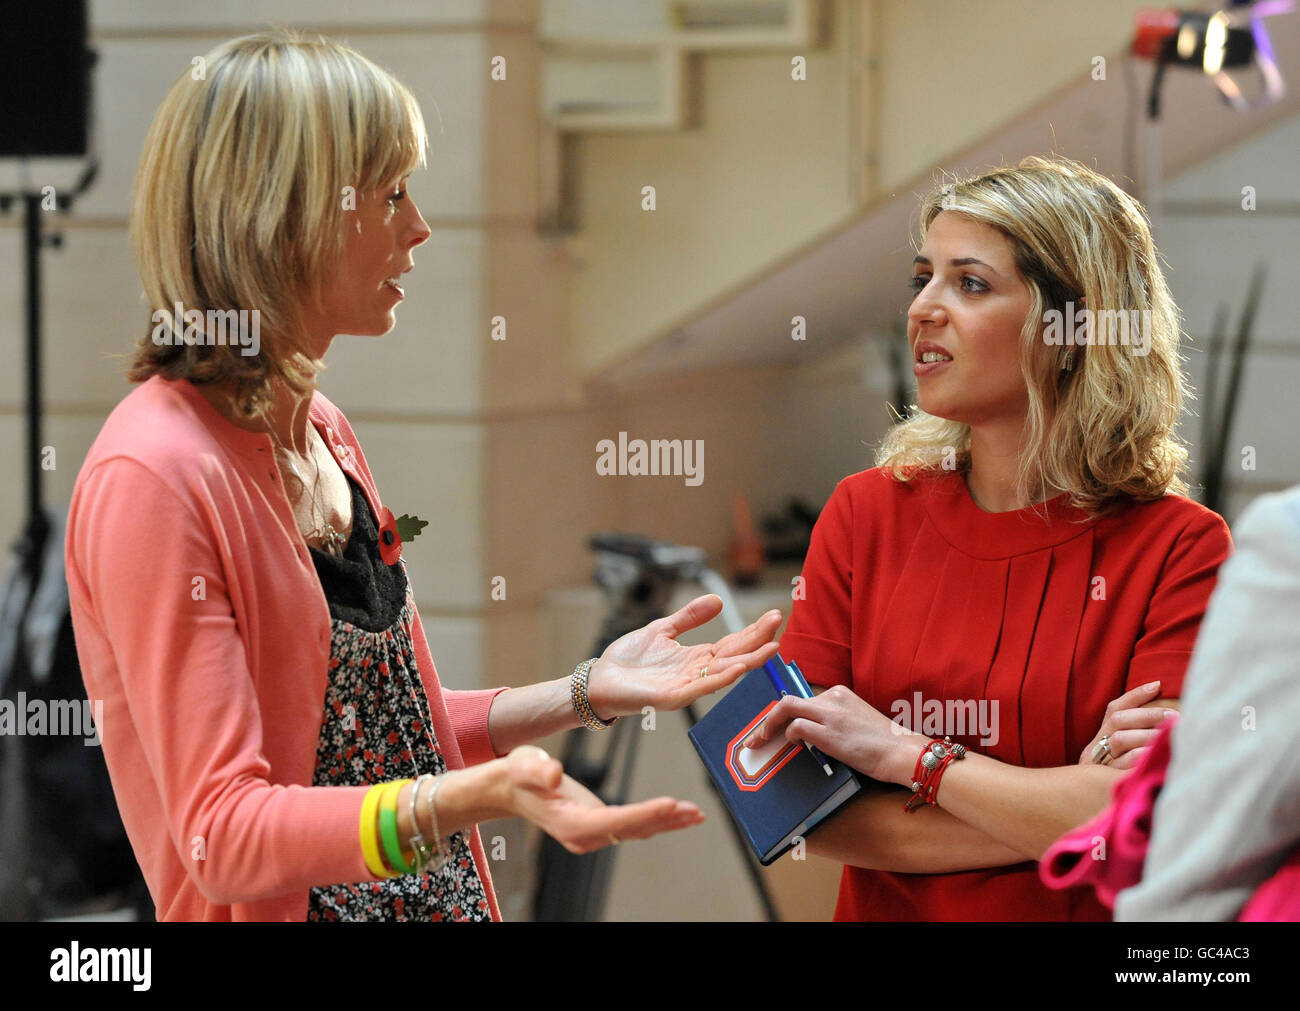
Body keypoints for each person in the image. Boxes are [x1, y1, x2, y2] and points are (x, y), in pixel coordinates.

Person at [64, 29, 782, 923]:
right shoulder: (155, 476)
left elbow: (383, 731)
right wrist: (465, 798)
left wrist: (586, 690)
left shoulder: (322, 428)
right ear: (285, 215)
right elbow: (225, 832)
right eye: (393, 192)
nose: (421, 226)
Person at [742, 155, 1232, 921]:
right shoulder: (863, 515)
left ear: (1074, 328)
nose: (923, 309)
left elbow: (1152, 815)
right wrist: (1061, 799)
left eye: (970, 284)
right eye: (923, 278)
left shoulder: (1181, 549)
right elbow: (799, 805)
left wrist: (906, 757)